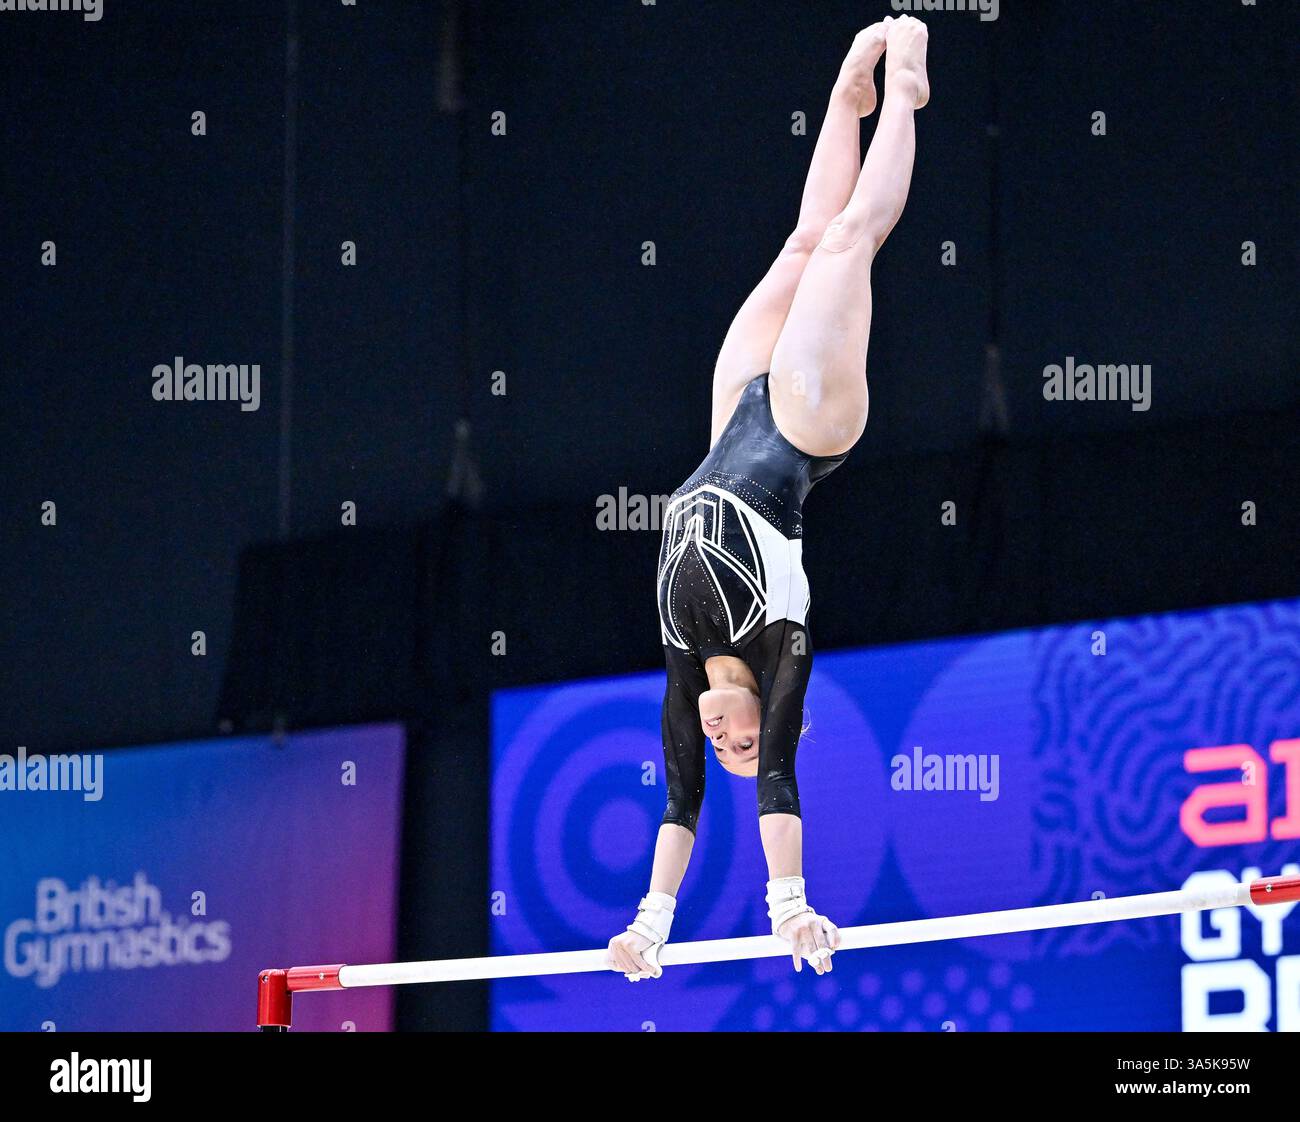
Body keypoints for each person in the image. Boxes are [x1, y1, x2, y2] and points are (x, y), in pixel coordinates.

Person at [608, 15, 929, 981]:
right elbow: (779, 786)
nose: (731, 740)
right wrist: (790, 906)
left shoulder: (680, 670)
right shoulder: (782, 650)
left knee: (801, 246)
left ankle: (845, 102)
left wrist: (648, 930)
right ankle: (907, 95)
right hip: (800, 434)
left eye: (730, 750)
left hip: (726, 423)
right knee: (846, 247)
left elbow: (678, 808)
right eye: (746, 744)